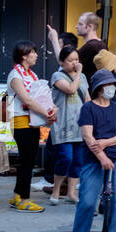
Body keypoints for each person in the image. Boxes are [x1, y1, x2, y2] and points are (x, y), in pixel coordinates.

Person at [71, 68, 116, 232]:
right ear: (98, 87)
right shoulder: (88, 108)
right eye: (107, 84)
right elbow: (88, 136)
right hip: (93, 161)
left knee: (112, 203)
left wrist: (104, 143)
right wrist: (102, 156)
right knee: (87, 201)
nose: (110, 87)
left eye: (112, 83)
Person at [5, 40, 55, 213]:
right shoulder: (15, 75)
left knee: (28, 160)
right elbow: (27, 100)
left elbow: (38, 97)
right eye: (33, 52)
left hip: (32, 122)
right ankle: (24, 200)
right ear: (24, 56)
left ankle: (17, 195)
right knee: (27, 161)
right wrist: (46, 114)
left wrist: (49, 110)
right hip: (21, 122)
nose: (36, 55)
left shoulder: (30, 75)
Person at [49, 45, 89, 205]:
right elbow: (71, 89)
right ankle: (56, 190)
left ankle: (71, 193)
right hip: (63, 124)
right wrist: (79, 72)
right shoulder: (57, 76)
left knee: (78, 160)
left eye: (77, 60)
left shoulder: (83, 77)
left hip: (80, 124)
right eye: (71, 60)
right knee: (66, 157)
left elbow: (87, 99)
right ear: (62, 61)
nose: (75, 63)